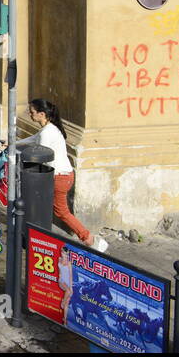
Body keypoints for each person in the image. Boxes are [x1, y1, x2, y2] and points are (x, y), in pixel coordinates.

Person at [20, 98, 108, 252]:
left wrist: (18, 153)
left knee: (61, 211)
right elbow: (33, 139)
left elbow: (40, 154)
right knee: (46, 206)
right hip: (62, 175)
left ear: (42, 114)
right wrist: (11, 144)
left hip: (59, 177)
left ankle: (90, 240)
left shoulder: (47, 133)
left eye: (32, 112)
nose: (29, 114)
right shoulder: (48, 129)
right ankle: (40, 236)